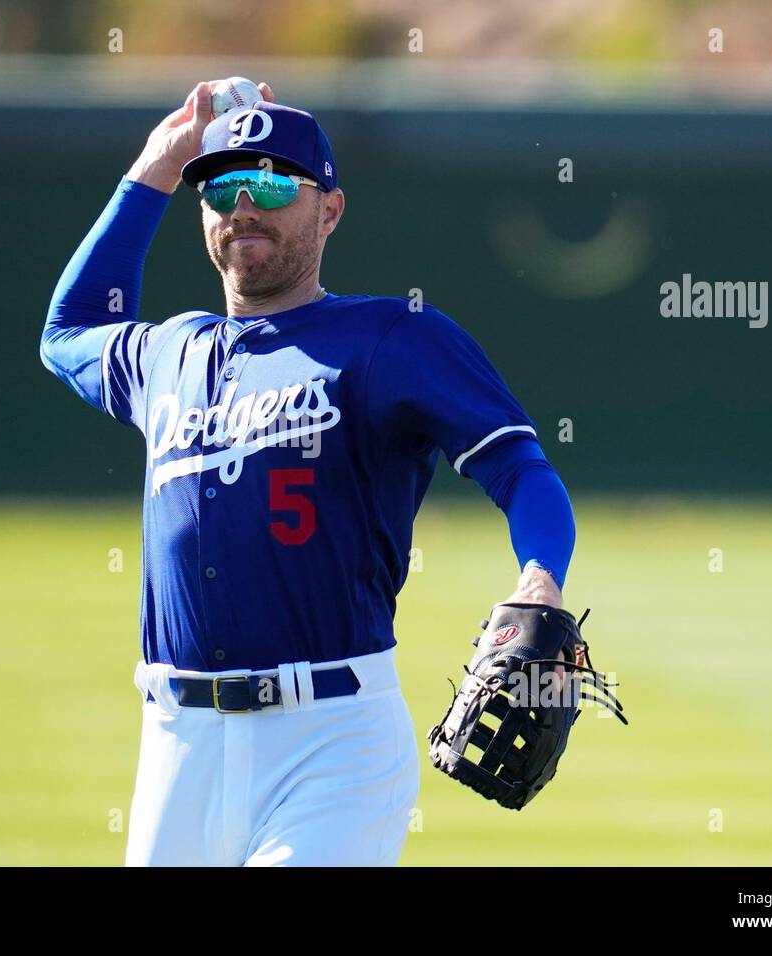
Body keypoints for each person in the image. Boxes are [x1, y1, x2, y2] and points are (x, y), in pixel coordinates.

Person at [39, 80, 575, 866]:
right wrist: (156, 165)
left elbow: (520, 470)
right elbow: (68, 331)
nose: (242, 206)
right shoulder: (167, 354)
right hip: (175, 742)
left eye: (270, 184)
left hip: (332, 741)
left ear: (329, 209)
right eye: (221, 186)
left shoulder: (389, 337)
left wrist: (540, 577)